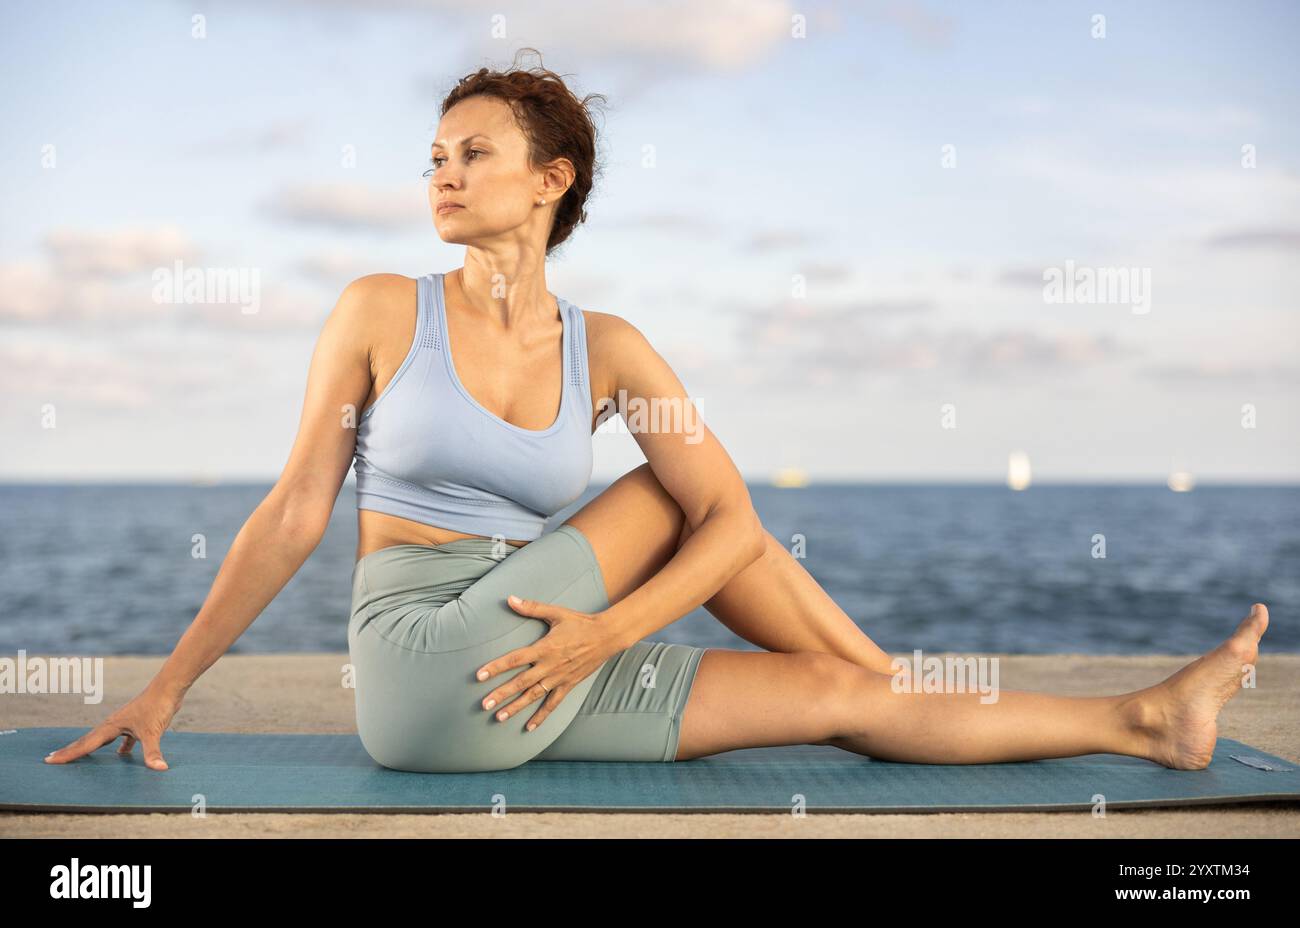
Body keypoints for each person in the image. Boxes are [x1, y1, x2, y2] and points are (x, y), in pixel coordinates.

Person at [46, 49, 1268, 774]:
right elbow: (296, 506)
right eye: (432, 158)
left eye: (472, 154)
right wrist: (169, 686)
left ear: (549, 178)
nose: (443, 177)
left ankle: (1145, 720)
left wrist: (603, 633)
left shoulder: (610, 348)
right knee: (683, 500)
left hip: (523, 677)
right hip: (420, 660)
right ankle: (897, 676)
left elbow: (735, 529)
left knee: (836, 700)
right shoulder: (379, 308)